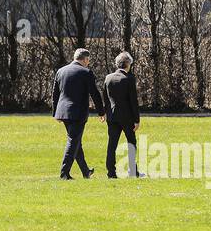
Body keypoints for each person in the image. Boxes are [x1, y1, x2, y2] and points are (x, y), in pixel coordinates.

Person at [52, 48, 104, 179]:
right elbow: (95, 93)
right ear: (85, 59)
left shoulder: (61, 71)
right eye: (88, 60)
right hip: (78, 112)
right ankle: (64, 174)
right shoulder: (86, 72)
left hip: (63, 112)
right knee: (73, 141)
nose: (88, 63)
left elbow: (55, 94)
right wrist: (101, 111)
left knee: (76, 142)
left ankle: (86, 171)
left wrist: (55, 113)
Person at [102, 51, 143, 178]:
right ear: (127, 64)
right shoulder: (129, 79)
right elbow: (133, 101)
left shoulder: (108, 78)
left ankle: (111, 172)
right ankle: (132, 171)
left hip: (112, 116)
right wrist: (136, 120)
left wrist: (105, 113)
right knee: (131, 143)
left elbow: (105, 98)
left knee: (112, 145)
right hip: (127, 117)